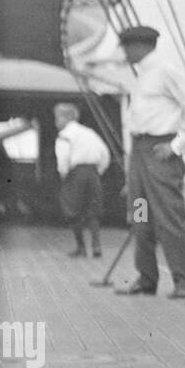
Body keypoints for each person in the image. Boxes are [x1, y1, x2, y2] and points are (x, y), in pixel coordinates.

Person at [114, 25, 185, 300]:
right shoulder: (140, 76)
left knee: (168, 218)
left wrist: (177, 146)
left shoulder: (166, 71)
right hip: (140, 153)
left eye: (126, 46)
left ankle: (183, 281)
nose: (124, 52)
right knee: (140, 216)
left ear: (140, 46)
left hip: (159, 152)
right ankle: (146, 278)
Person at [53, 103, 110, 258]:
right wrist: (98, 171)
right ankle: (96, 246)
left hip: (75, 174)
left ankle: (81, 247)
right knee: (93, 209)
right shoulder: (90, 133)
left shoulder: (65, 135)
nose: (56, 122)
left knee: (72, 209)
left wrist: (63, 173)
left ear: (67, 118)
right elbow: (105, 153)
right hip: (93, 173)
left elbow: (63, 157)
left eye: (58, 117)